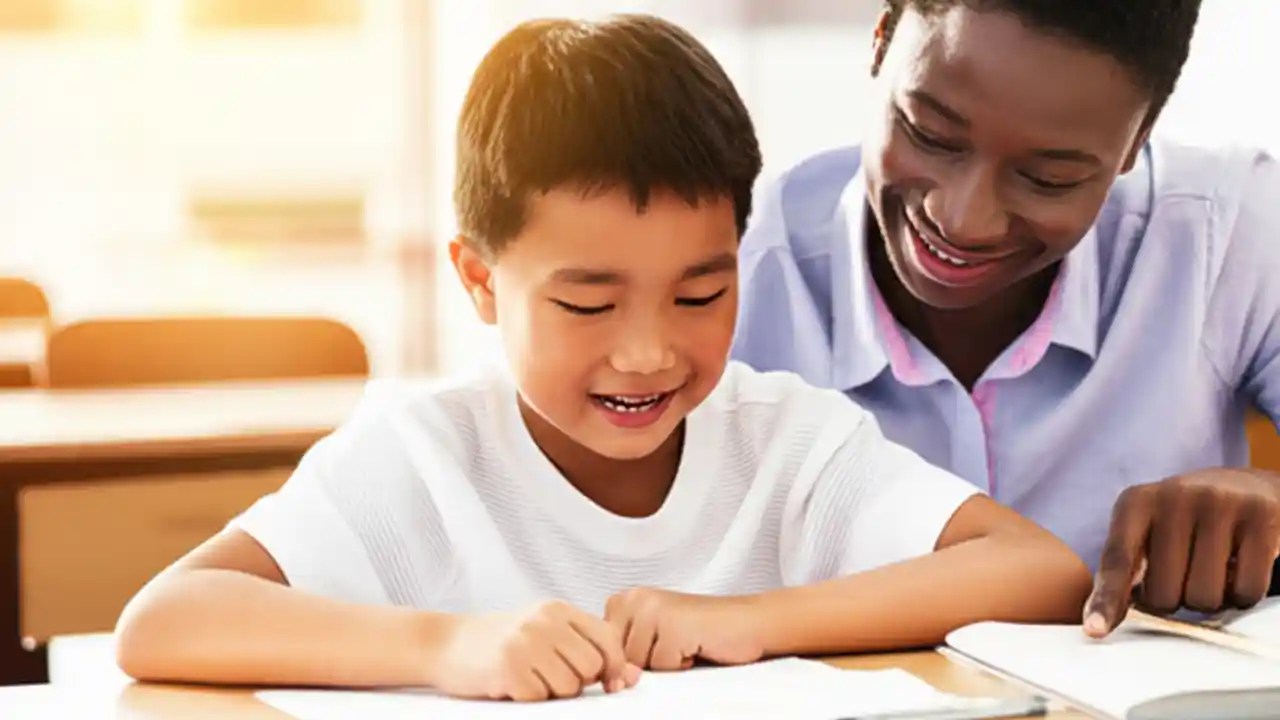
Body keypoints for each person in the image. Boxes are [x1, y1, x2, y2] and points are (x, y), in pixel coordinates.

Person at [113, 14, 1090, 703]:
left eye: (700, 294)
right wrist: (446, 646)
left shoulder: (782, 440)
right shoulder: (423, 455)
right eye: (587, 302)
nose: (648, 352)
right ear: (480, 281)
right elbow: (163, 621)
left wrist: (753, 619)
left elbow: (1035, 570)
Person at [731, 0, 1280, 639]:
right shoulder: (727, 273)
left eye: (1047, 179)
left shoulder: (1230, 234)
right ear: (880, 40)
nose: (963, 219)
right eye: (929, 135)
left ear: (1138, 138)